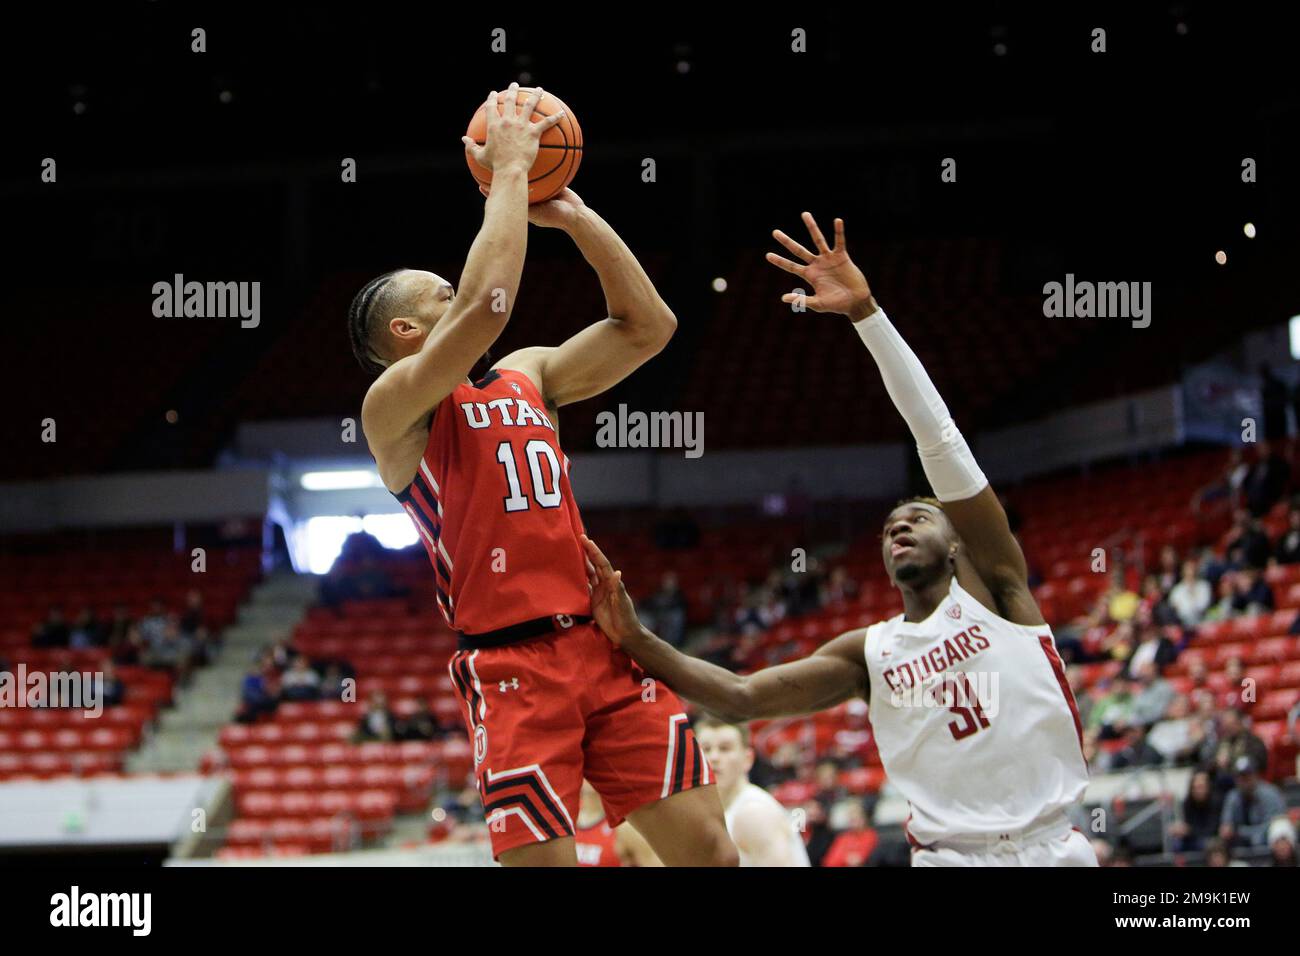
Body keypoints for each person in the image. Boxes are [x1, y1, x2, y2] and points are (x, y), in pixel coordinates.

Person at [579, 212, 1094, 867]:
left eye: (919, 517)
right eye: (889, 527)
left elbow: (938, 438)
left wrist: (867, 315)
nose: (900, 526)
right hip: (948, 858)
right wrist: (637, 641)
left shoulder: (999, 592)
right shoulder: (868, 653)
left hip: (1053, 847)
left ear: (960, 542)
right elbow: (739, 697)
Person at [351, 85, 731, 867]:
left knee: (711, 858)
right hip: (511, 665)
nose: (456, 297)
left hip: (602, 642)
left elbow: (649, 328)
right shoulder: (394, 408)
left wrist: (575, 215)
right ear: (405, 330)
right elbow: (487, 307)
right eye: (439, 296)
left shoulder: (528, 375)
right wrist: (514, 173)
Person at [694, 715, 811, 866]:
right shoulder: (712, 811)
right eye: (706, 749)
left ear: (747, 759)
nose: (714, 757)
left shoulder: (754, 812)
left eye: (725, 748)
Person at [1219, 756, 1286, 849]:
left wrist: (1241, 832)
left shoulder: (1270, 793)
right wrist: (1228, 829)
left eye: (1248, 775)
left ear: (1256, 775)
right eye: (1241, 776)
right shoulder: (1232, 796)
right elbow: (1226, 824)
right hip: (1240, 843)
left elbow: (1273, 824)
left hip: (1267, 841)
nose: (1244, 780)